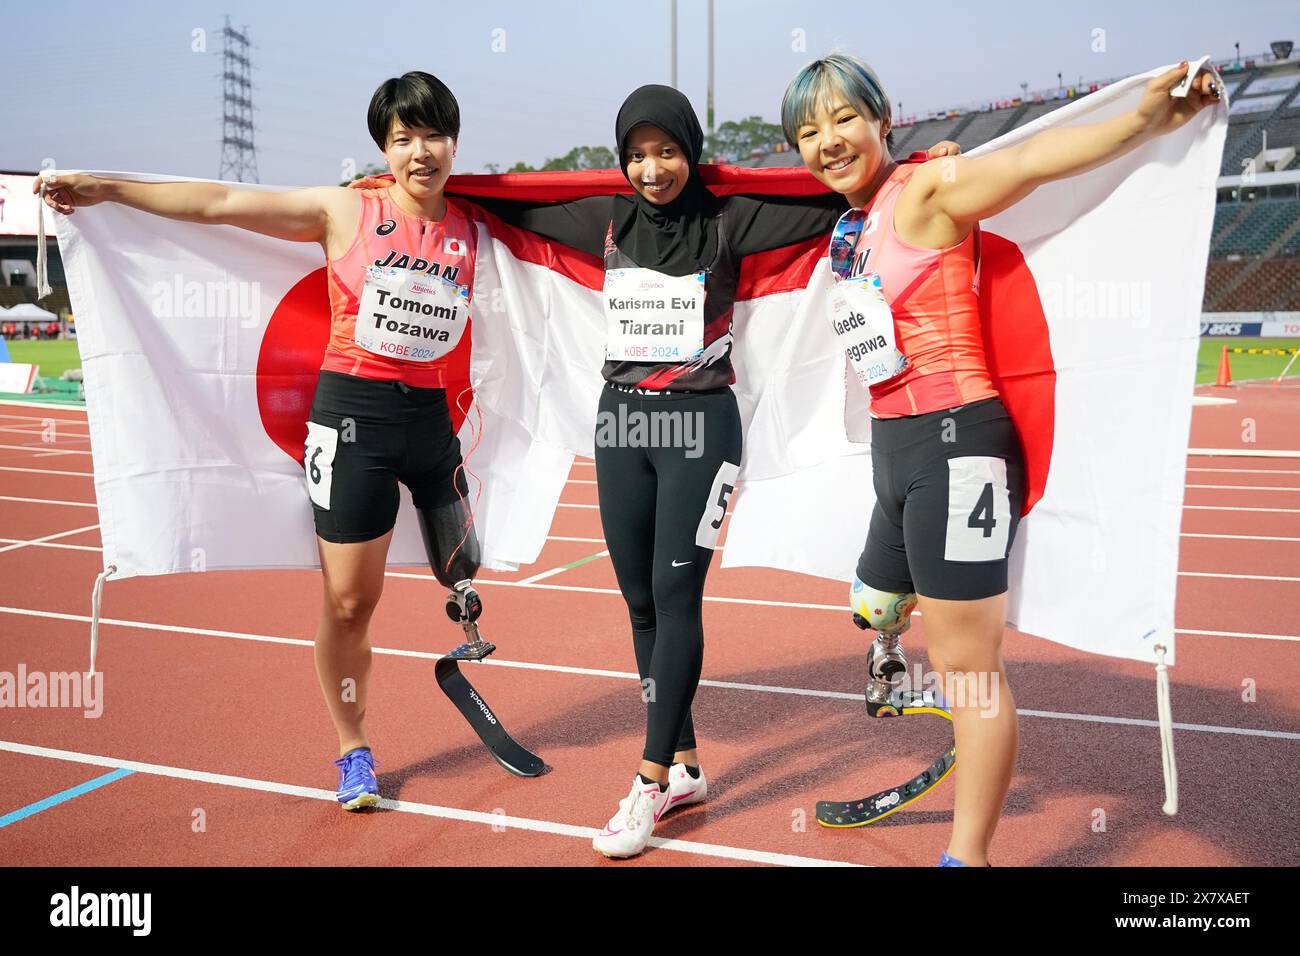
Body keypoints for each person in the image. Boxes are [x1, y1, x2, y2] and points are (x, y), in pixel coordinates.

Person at [472, 84, 961, 859]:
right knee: (638, 602)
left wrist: (911, 169)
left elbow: (841, 197)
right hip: (621, 422)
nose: (650, 168)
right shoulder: (606, 219)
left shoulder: (730, 219)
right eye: (635, 154)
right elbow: (508, 205)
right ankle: (687, 765)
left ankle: (648, 779)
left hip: (701, 429)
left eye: (665, 151)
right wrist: (413, 184)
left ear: (690, 151)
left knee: (675, 592)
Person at [782, 53, 1219, 866]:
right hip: (894, 450)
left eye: (844, 118)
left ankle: (968, 856)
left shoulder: (928, 191)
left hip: (958, 452)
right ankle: (917, 667)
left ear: (883, 119)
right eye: (808, 130)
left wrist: (1145, 118)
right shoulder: (852, 221)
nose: (828, 141)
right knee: (875, 607)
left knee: (972, 673)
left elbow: (1027, 162)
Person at [37, 71, 496, 812]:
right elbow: (219, 203)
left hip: (434, 426)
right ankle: (353, 749)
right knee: (351, 602)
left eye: (434, 135)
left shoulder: (479, 223)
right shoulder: (343, 208)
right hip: (357, 419)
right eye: (403, 138)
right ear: (384, 146)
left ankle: (465, 612)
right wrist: (109, 189)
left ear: (455, 141)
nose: (421, 151)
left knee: (464, 565)